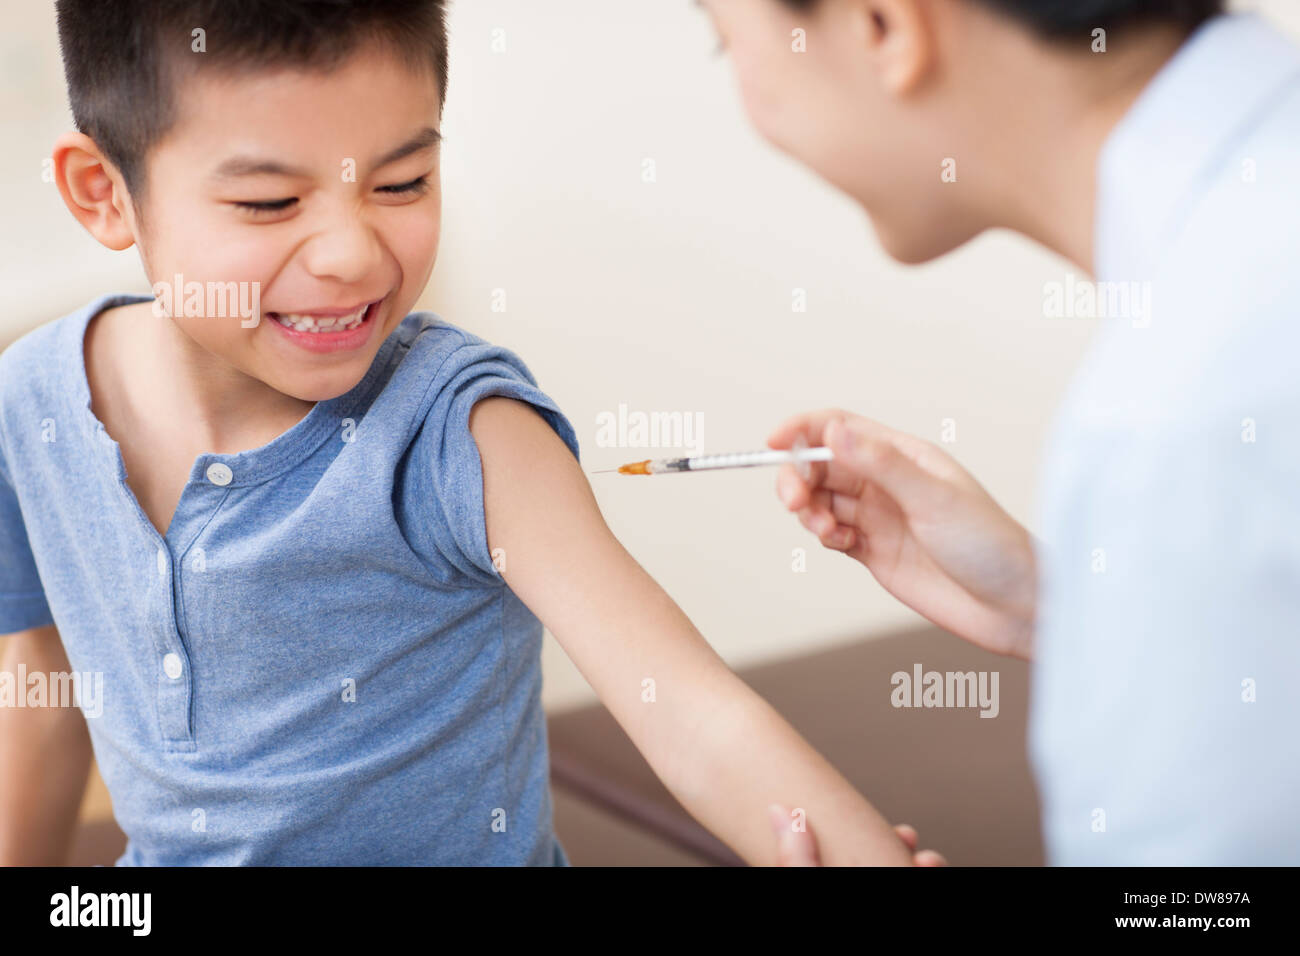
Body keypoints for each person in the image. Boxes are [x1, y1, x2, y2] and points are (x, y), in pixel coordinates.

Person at [0, 0, 932, 866]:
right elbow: (37, 693)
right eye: (270, 204)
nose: (352, 254)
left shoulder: (464, 429)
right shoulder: (28, 402)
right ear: (103, 194)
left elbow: (690, 709)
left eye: (402, 183)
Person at [689, 0, 1300, 863]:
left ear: (882, 25)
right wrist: (1066, 605)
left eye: (727, 41)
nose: (749, 100)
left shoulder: (1176, 418)